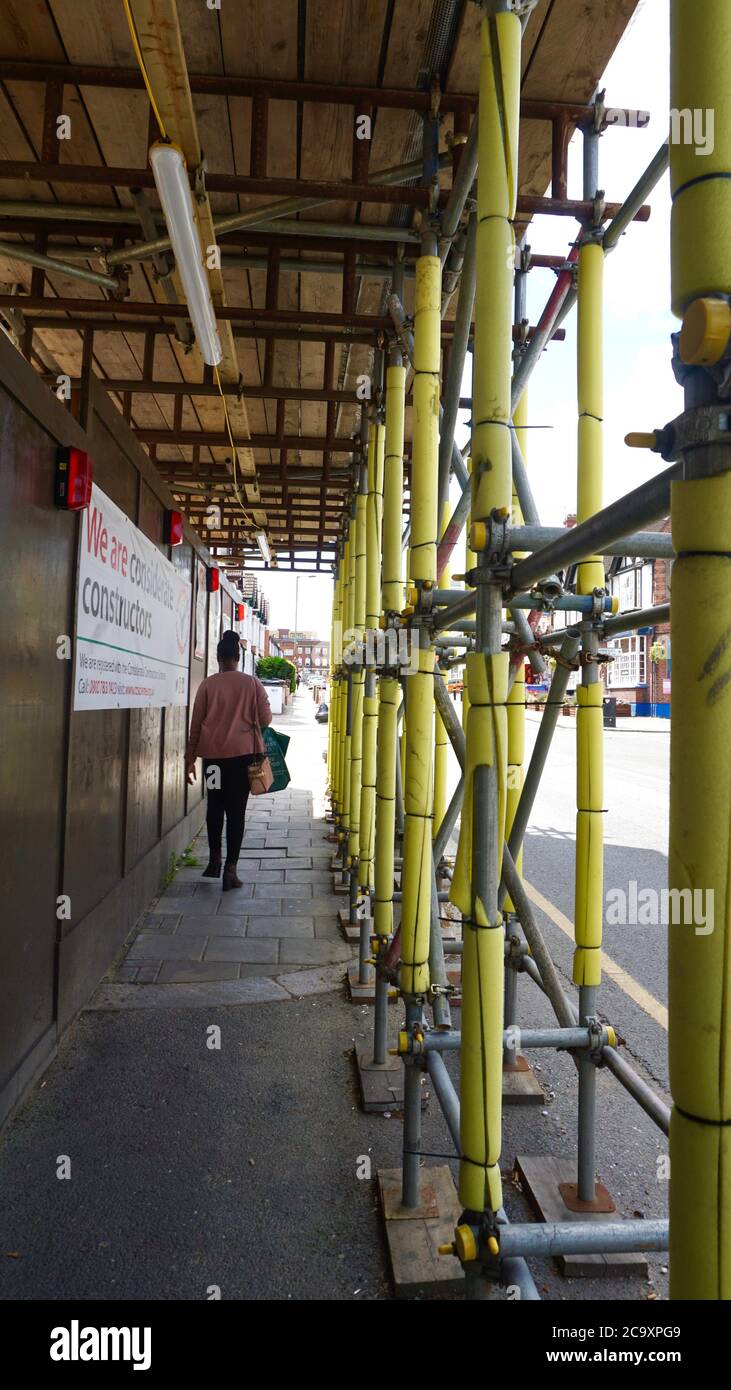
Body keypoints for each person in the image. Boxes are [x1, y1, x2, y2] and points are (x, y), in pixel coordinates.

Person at [185, 630, 272, 891]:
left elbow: (196, 725)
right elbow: (266, 719)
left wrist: (190, 759)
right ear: (238, 657)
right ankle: (230, 871)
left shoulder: (208, 685)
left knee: (214, 806)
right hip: (243, 759)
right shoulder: (252, 683)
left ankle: (214, 860)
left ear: (218, 658)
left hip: (213, 760)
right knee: (237, 812)